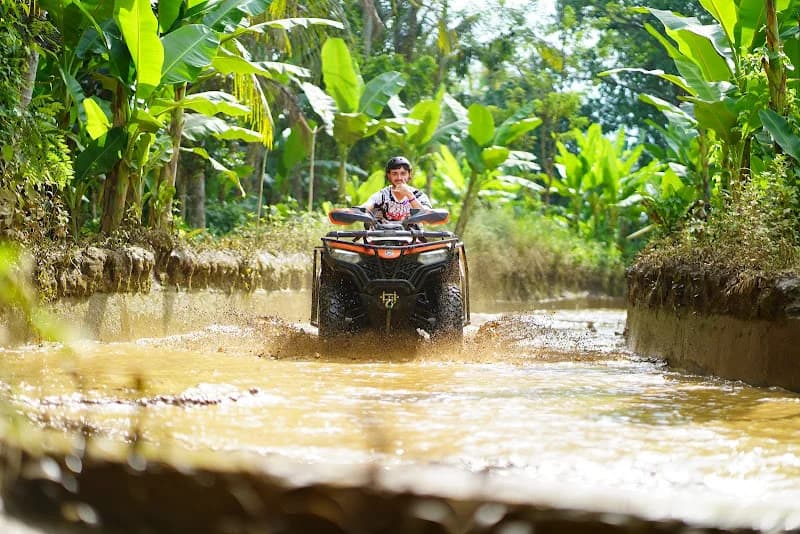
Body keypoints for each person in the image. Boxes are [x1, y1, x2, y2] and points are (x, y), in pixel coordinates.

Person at [360, 156, 432, 221]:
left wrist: (409, 195)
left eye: (403, 173)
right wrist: (356, 211)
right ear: (389, 175)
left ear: (409, 175)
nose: (399, 178)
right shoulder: (382, 195)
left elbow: (427, 216)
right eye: (394, 173)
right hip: (384, 234)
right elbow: (367, 205)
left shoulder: (418, 195)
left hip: (412, 235)